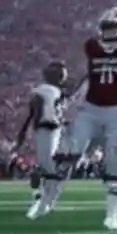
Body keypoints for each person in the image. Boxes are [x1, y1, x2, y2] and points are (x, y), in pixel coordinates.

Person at [49, 7, 117, 231]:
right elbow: (90, 78)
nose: (111, 27)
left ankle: (112, 215)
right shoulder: (94, 47)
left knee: (114, 161)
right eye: (108, 23)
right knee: (69, 155)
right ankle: (46, 200)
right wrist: (73, 102)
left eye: (116, 22)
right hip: (91, 109)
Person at [14, 61, 68, 220]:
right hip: (48, 127)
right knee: (50, 167)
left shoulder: (51, 91)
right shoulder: (45, 91)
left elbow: (32, 112)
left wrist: (24, 131)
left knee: (52, 167)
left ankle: (43, 197)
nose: (63, 77)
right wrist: (26, 130)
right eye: (61, 74)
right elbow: (35, 110)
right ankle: (44, 200)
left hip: (52, 128)